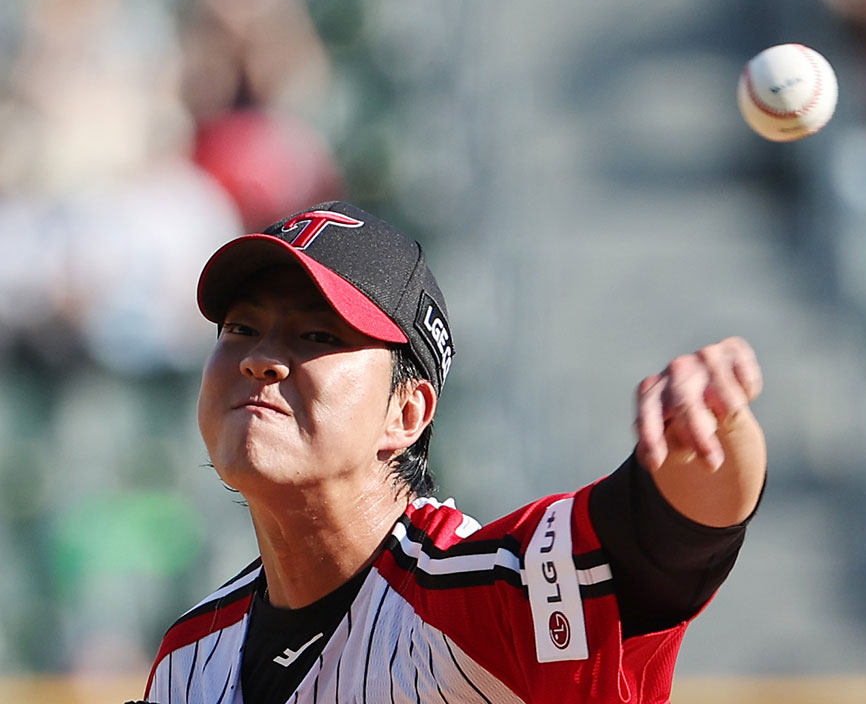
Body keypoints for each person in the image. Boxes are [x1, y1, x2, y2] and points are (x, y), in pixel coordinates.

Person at [138, 201, 767, 704]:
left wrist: (712, 423)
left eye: (316, 335)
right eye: (241, 328)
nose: (258, 359)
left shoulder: (481, 598)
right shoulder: (188, 659)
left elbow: (673, 538)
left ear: (406, 413)